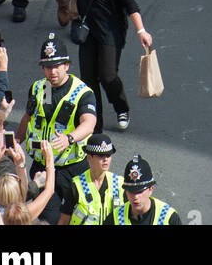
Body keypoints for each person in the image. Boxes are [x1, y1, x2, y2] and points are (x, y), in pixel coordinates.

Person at [74, 0, 152, 134]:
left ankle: (121, 107)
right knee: (88, 80)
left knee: (107, 75)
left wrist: (141, 30)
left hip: (110, 31)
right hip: (89, 31)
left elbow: (129, 1)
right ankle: (94, 126)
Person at [16, 32, 97, 220]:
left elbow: (89, 124)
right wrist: (15, 141)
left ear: (66, 66)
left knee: (78, 218)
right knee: (48, 220)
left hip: (72, 170)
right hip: (43, 167)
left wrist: (69, 138)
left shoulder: (82, 93)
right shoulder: (40, 88)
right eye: (47, 67)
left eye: (56, 66)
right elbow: (29, 118)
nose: (51, 72)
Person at [60, 132, 126, 227]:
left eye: (108, 155)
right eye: (100, 156)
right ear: (89, 158)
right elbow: (64, 221)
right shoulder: (76, 185)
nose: (105, 159)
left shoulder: (120, 184)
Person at [103, 152, 181, 226]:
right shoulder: (115, 218)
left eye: (140, 192)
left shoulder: (169, 217)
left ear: (151, 189)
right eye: (131, 191)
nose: (135, 197)